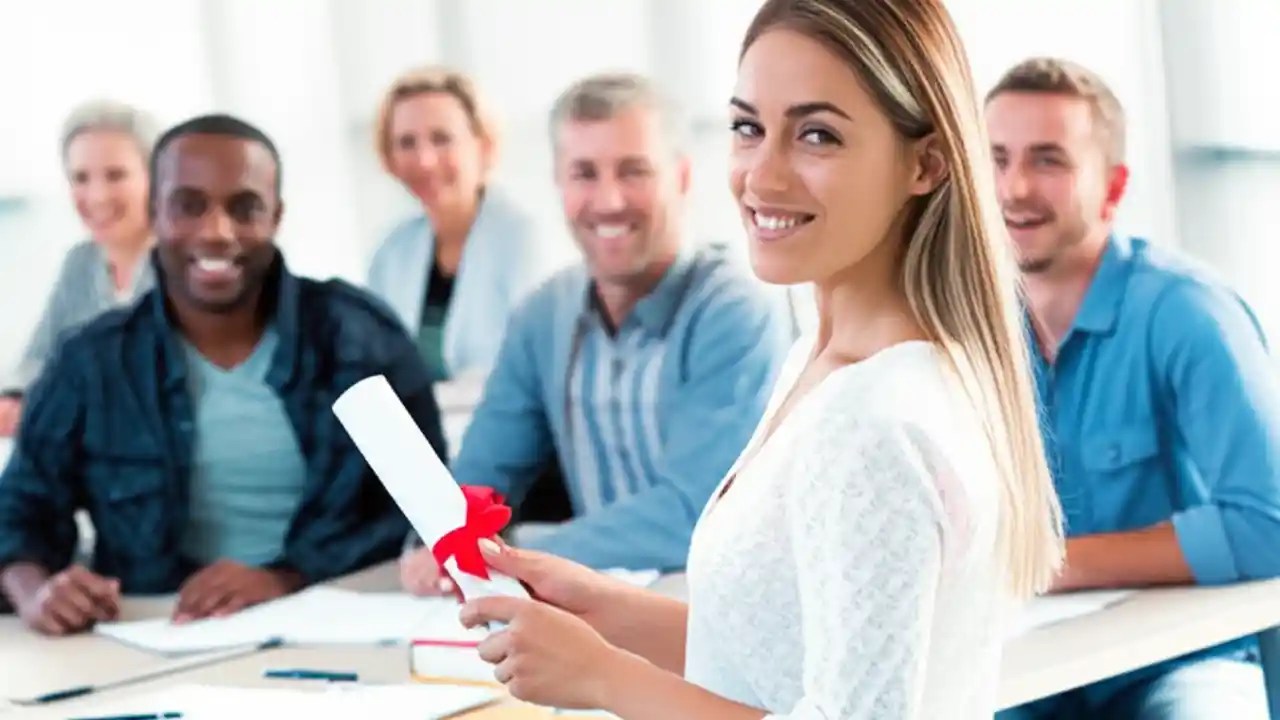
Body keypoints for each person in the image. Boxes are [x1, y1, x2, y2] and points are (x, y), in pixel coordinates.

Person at [451, 1, 1065, 717]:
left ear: (924, 163)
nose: (761, 177)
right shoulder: (825, 359)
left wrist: (602, 680)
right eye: (748, 128)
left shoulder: (873, 419)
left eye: (817, 135)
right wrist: (606, 612)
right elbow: (786, 661)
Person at [0, 114, 446, 636]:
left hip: (343, 624)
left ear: (276, 216)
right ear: (154, 213)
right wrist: (35, 592)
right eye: (189, 206)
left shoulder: (360, 336)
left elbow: (428, 509)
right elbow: (20, 512)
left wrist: (286, 577)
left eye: (244, 208)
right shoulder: (91, 361)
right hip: (150, 637)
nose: (216, 231)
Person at [399, 72, 794, 591]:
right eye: (584, 173)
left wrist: (514, 552)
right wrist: (434, 537)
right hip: (592, 608)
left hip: (720, 608)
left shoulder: (736, 309)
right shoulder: (543, 316)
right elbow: (482, 474)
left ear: (681, 177)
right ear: (559, 185)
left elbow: (697, 514)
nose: (608, 200)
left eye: (633, 172)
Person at [988, 58, 1280, 720]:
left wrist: (1054, 564)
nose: (1015, 187)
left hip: (1182, 663)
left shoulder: (1189, 313)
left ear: (1113, 188)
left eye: (1049, 160)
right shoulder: (970, 332)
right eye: (998, 158)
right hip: (1023, 669)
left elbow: (1270, 525)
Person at [366, 66, 549, 382]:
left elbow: (538, 368)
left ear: (483, 145)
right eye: (406, 143)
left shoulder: (525, 239)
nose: (424, 160)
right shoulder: (391, 252)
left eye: (441, 139)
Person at [0, 100, 160, 437]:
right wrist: (14, 399)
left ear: (157, 177)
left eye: (116, 175)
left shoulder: (186, 269)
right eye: (80, 178)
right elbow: (39, 358)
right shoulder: (81, 262)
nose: (97, 195)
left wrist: (53, 408)